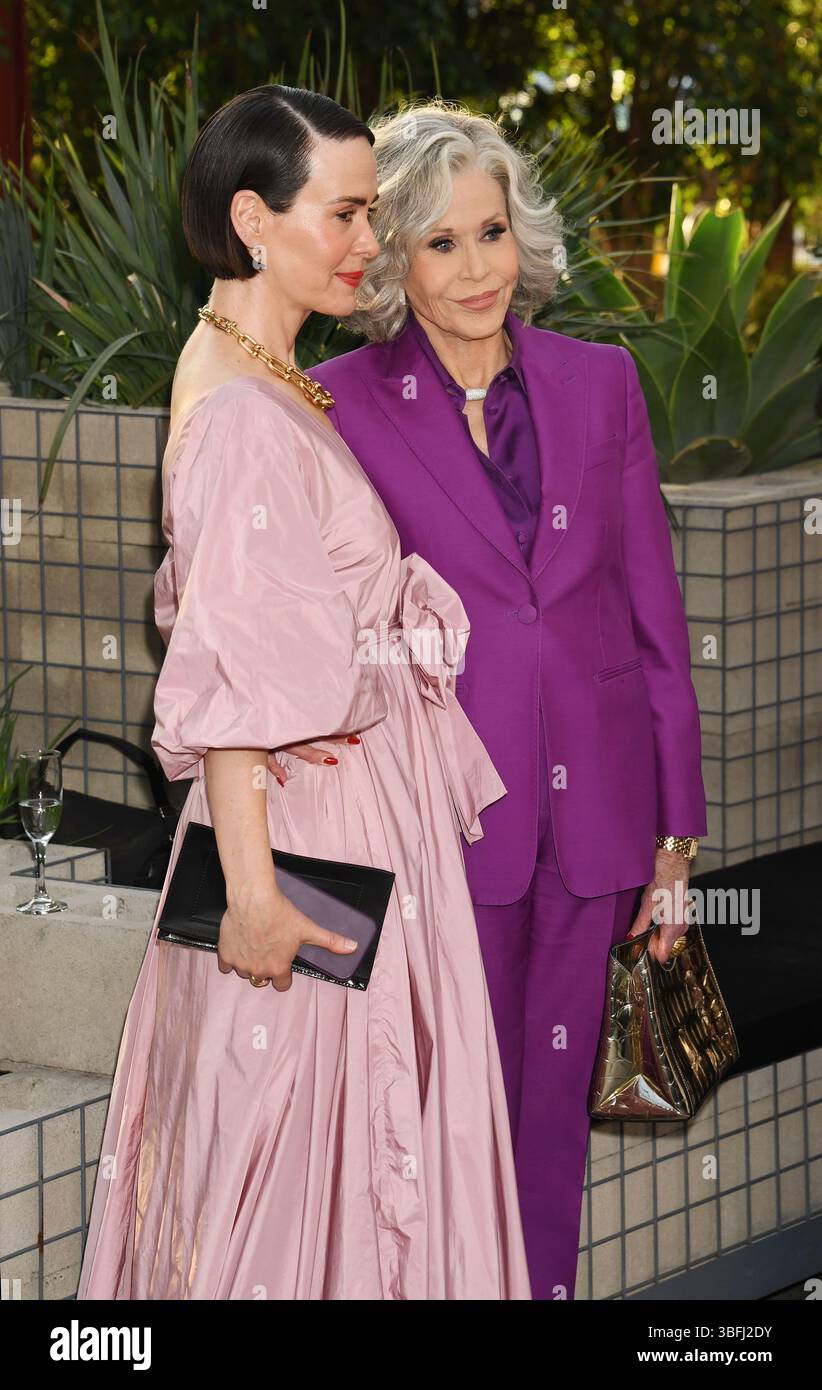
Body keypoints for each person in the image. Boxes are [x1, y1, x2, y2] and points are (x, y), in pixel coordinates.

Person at [75, 85, 532, 1301]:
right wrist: (257, 896)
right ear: (253, 219)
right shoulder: (237, 414)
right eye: (343, 213)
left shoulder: (266, 374)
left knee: (317, 1173)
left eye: (372, 211)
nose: (368, 242)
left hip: (344, 818)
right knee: (297, 1181)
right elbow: (235, 674)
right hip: (308, 839)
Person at [305, 99, 709, 1300]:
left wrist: (674, 839)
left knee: (549, 1134)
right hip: (440, 826)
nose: (478, 268)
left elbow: (654, 617)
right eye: (441, 242)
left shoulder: (602, 383)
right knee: (432, 1125)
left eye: (492, 234)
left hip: (594, 830)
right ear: (393, 255)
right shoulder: (340, 400)